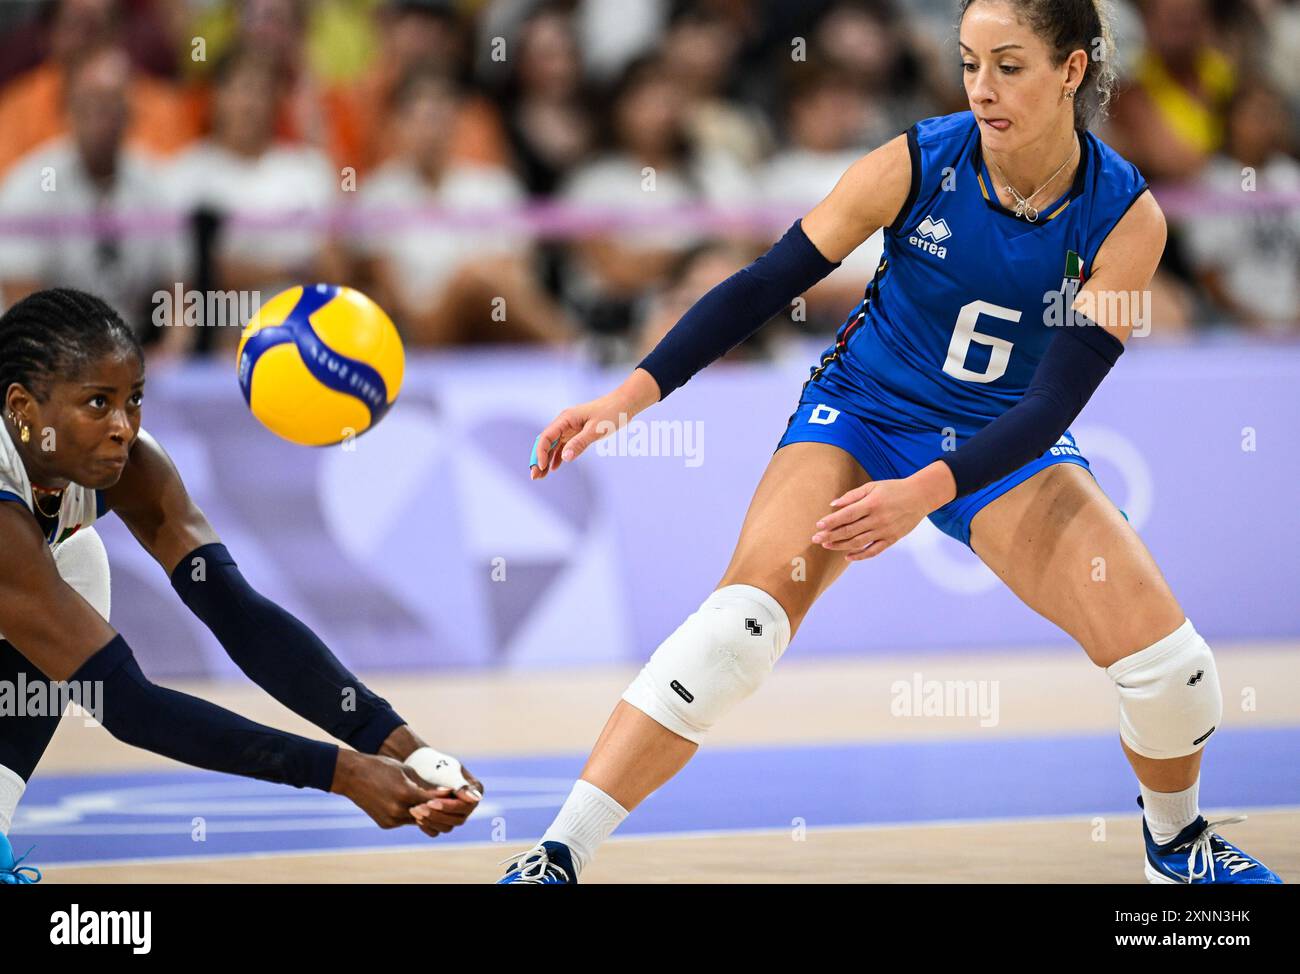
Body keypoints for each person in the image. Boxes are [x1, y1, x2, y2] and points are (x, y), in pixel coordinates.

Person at [502, 0, 1282, 884]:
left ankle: (1177, 847)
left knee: (1174, 672)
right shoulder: (917, 161)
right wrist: (628, 397)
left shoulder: (1125, 219)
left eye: (1009, 65)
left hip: (1004, 437)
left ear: (1072, 71)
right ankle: (555, 853)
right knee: (736, 629)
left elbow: (1055, 400)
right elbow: (765, 283)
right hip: (865, 408)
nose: (981, 89)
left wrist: (928, 490)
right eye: (968, 62)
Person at [0, 288, 483, 884]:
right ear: (22, 406)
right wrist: (346, 774)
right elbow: (130, 707)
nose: (123, 427)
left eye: (134, 400)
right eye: (98, 403)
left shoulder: (131, 466)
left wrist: (402, 747)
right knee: (66, 595)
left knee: (78, 558)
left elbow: (238, 615)